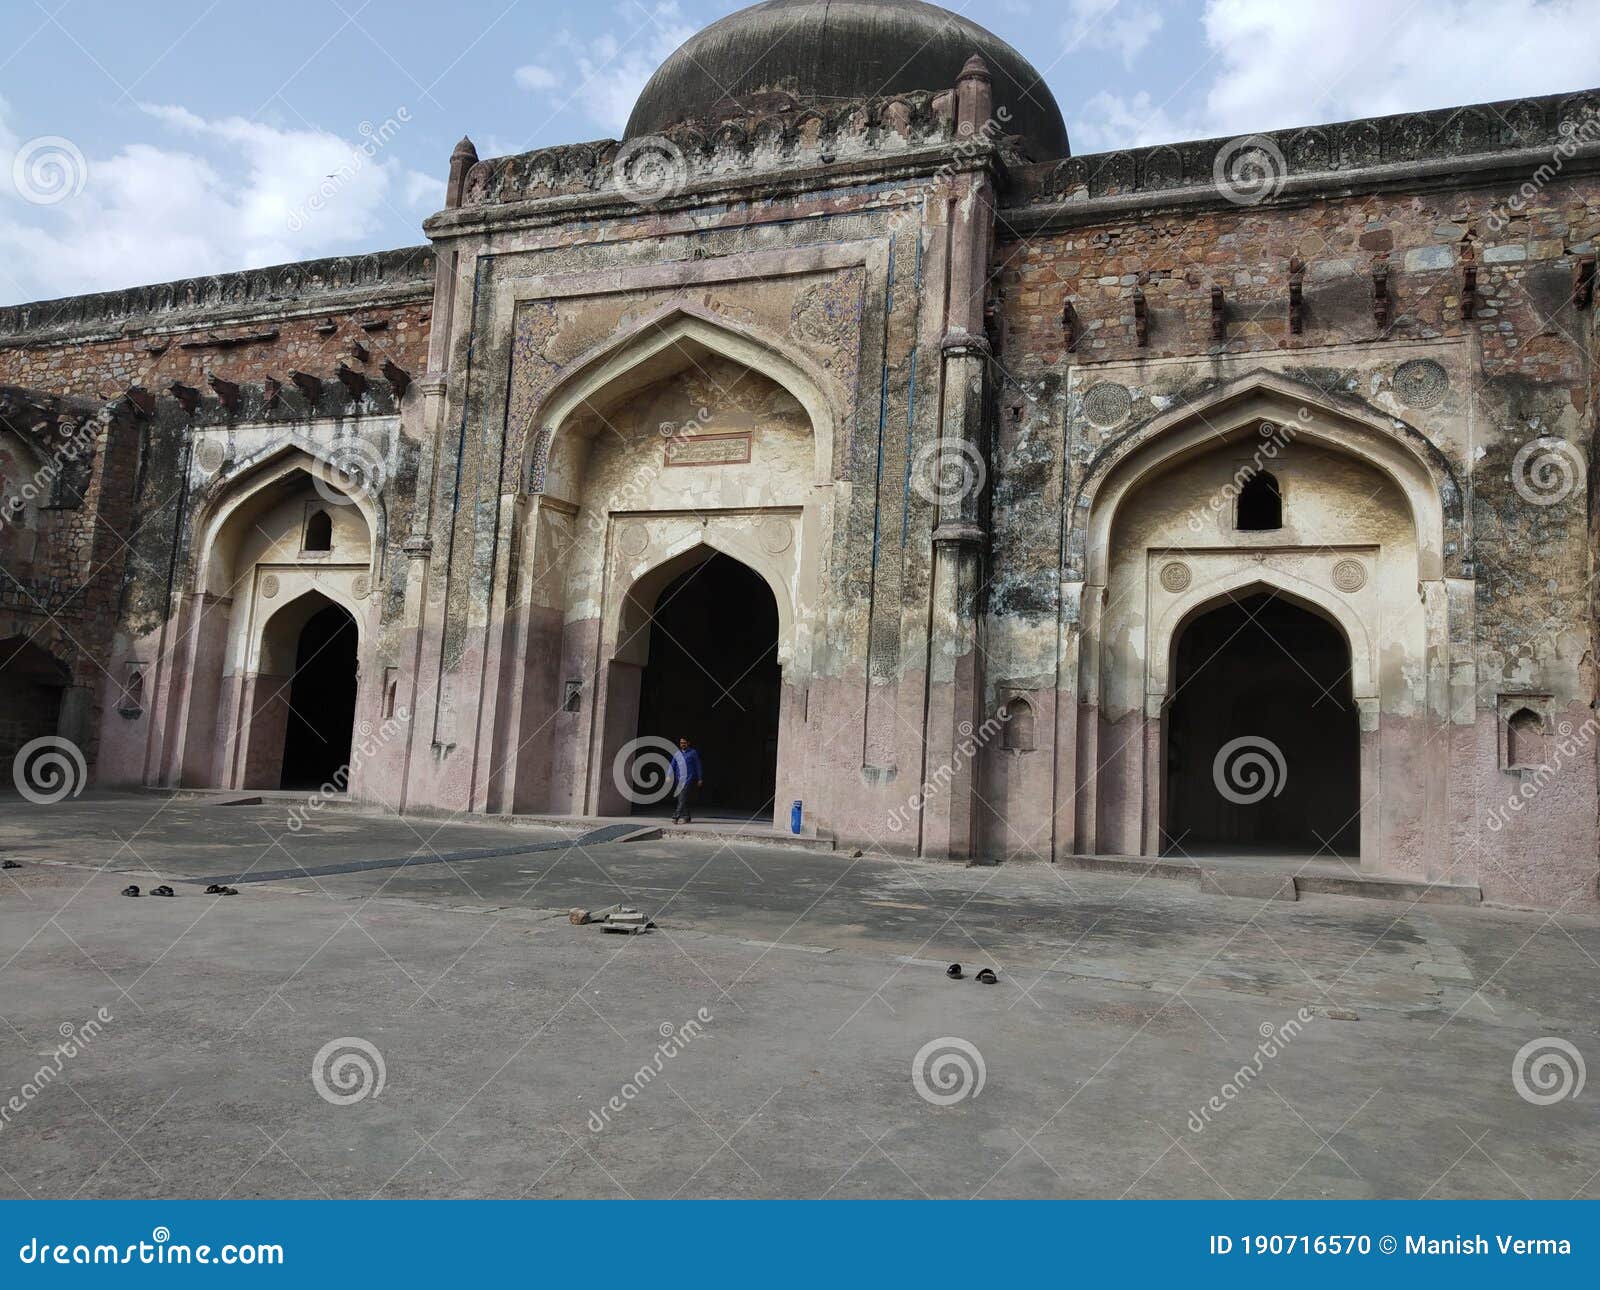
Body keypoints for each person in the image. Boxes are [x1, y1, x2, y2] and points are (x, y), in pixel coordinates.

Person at [669, 736, 703, 824]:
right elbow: (672, 764)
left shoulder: (693, 753)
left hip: (688, 779)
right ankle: (687, 817)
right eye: (681, 743)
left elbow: (697, 765)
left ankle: (675, 817)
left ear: (688, 743)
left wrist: (700, 778)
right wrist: (668, 775)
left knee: (682, 797)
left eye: (684, 743)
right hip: (678, 779)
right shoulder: (677, 753)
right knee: (682, 799)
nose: (682, 744)